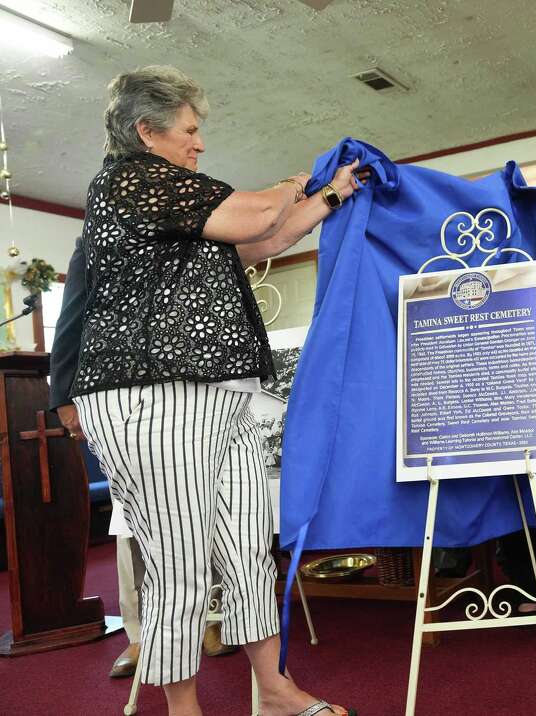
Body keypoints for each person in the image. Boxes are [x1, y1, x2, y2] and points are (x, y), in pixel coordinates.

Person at [71, 65, 361, 716]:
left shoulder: (179, 197)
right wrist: (297, 182)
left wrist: (336, 192)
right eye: (190, 131)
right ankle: (182, 708)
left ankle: (276, 690)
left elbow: (272, 233)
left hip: (221, 391)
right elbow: (261, 209)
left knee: (247, 545)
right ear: (148, 131)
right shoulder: (130, 181)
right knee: (180, 560)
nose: (199, 143)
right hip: (154, 392)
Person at [49, 239, 237, 680]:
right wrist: (64, 398)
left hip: (188, 395)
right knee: (131, 525)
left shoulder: (189, 234)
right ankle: (139, 635)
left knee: (201, 512)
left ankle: (210, 621)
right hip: (121, 403)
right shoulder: (94, 242)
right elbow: (70, 317)